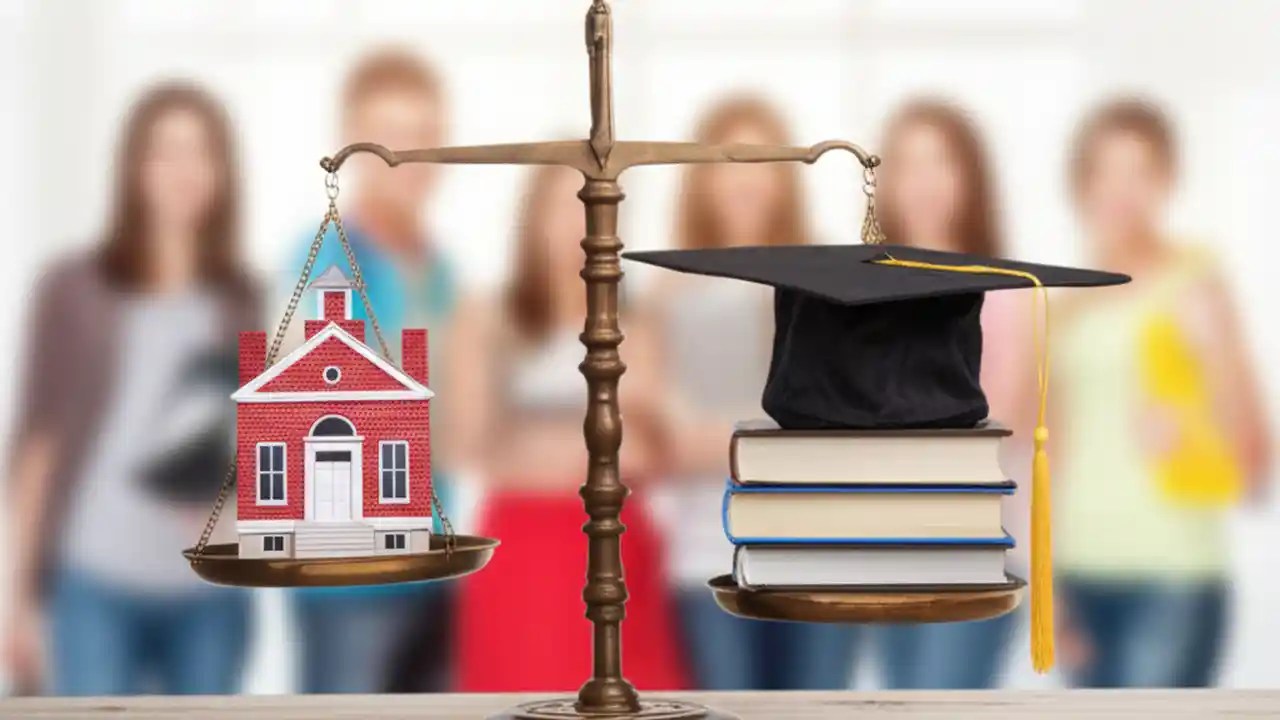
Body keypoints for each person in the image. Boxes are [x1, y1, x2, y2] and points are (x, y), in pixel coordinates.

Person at [4, 82, 259, 695]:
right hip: (95, 582)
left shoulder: (240, 296)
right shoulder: (72, 288)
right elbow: (37, 445)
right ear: (134, 168)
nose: (184, 171)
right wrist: (15, 598)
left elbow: (251, 444)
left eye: (202, 153)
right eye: (165, 152)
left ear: (223, 172)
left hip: (209, 594)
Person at [642, 96, 858, 690]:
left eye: (760, 163)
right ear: (702, 179)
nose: (745, 183)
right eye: (731, 161)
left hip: (822, 557)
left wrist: (730, 441)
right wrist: (779, 442)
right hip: (704, 557)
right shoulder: (669, 292)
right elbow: (669, 444)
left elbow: (840, 432)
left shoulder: (827, 281)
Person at [1055, 99, 1271, 687]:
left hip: (1172, 575)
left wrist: (1203, 408)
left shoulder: (1195, 285)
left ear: (1167, 182)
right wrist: (1053, 589)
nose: (1122, 190)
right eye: (1106, 171)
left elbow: (1256, 463)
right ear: (1081, 185)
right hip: (1082, 575)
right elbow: (1056, 455)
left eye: (1140, 171)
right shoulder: (1067, 304)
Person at [449, 163, 687, 692]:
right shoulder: (486, 315)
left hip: (615, 551)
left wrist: (530, 438)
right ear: (531, 217)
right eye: (559, 206)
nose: (574, 224)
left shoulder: (636, 320)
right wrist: (598, 441)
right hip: (519, 554)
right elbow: (475, 445)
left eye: (589, 208)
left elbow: (650, 450)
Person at [285, 48, 459, 694]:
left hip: (432, 560)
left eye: (422, 137)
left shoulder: (441, 268)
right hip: (349, 576)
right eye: (388, 137)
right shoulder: (326, 260)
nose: (404, 158)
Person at [868, 99, 1032, 689]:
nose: (924, 183)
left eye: (941, 162)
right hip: (883, 555)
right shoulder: (863, 293)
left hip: (975, 554)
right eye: (907, 165)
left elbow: (996, 425)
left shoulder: (1008, 292)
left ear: (970, 177)